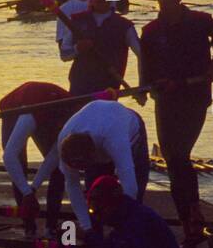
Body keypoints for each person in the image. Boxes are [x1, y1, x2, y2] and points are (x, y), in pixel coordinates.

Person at [140, 0, 213, 247]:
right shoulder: (151, 30)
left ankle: (192, 211)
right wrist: (144, 88)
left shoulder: (200, 21)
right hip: (165, 99)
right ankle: (188, 218)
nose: (163, 0)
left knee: (180, 154)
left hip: (195, 96)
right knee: (173, 160)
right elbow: (146, 63)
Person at [58, 99, 150, 231]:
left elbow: (131, 188)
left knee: (137, 191)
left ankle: (132, 232)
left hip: (130, 129)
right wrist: (86, 227)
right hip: (102, 125)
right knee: (94, 195)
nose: (80, 171)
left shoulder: (115, 140)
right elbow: (72, 185)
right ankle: (95, 231)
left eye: (83, 167)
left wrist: (121, 228)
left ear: (94, 155)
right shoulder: (64, 139)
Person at [0, 80, 74, 233]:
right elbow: (9, 156)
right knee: (18, 165)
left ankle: (51, 225)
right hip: (15, 108)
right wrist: (27, 193)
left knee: (58, 169)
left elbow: (54, 157)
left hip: (50, 105)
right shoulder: (32, 115)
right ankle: (28, 224)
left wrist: (33, 188)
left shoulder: (72, 121)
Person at [59, 0, 144, 99]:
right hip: (79, 89)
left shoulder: (124, 26)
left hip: (108, 90)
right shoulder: (76, 21)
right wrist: (77, 49)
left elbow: (142, 55)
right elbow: (64, 55)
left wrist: (141, 87)